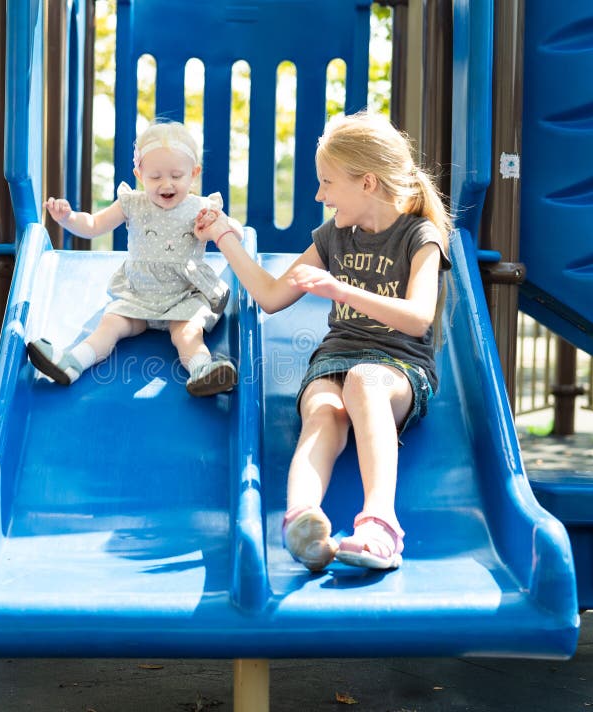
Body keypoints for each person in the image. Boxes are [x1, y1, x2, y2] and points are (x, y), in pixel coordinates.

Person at [195, 111, 452, 571]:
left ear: (367, 182)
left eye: (328, 183)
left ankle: (380, 526)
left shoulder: (420, 237)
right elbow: (273, 295)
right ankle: (303, 522)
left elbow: (417, 319)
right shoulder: (334, 236)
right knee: (323, 412)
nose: (320, 195)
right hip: (333, 359)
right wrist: (224, 237)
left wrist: (342, 290)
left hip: (397, 368)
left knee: (363, 382)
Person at [27, 120, 238, 397]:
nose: (166, 184)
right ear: (139, 173)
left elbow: (237, 234)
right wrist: (68, 218)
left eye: (177, 175)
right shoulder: (132, 203)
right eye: (155, 176)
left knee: (187, 334)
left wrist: (219, 225)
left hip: (184, 296)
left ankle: (202, 371)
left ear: (194, 173)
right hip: (138, 296)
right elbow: (92, 225)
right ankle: (72, 363)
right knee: (109, 326)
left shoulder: (202, 207)